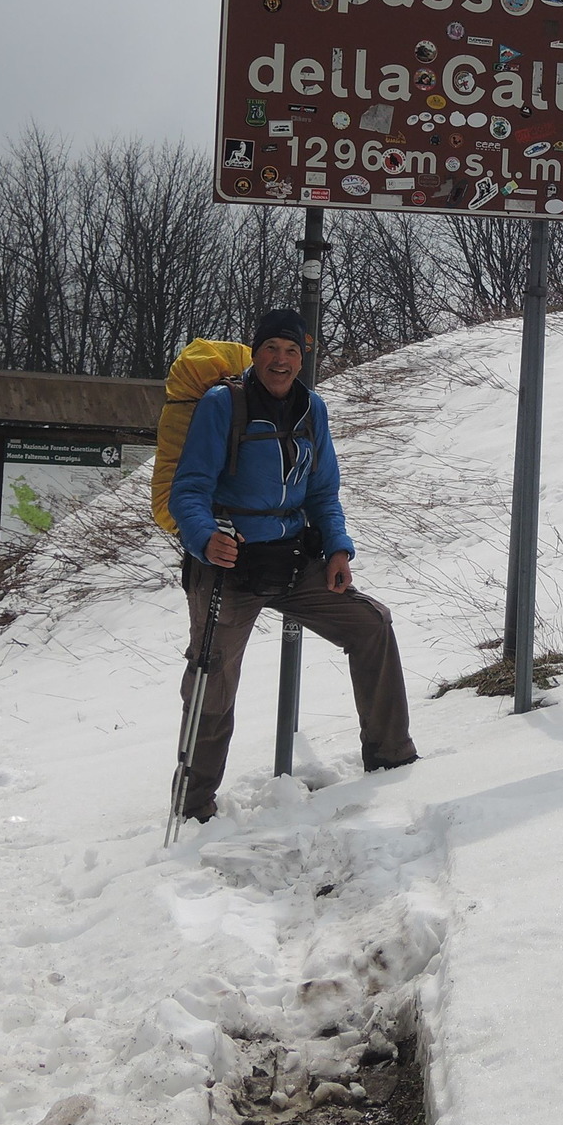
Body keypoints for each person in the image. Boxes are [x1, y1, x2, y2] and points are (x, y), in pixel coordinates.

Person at [168, 308, 416, 820]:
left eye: (292, 352)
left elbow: (323, 492)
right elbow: (188, 489)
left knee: (371, 625)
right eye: (272, 350)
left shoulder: (312, 409)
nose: (281, 361)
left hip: (289, 558)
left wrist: (338, 549)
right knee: (212, 680)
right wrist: (204, 537)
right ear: (255, 354)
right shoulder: (224, 404)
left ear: (303, 358)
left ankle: (392, 759)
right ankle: (193, 809)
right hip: (228, 564)